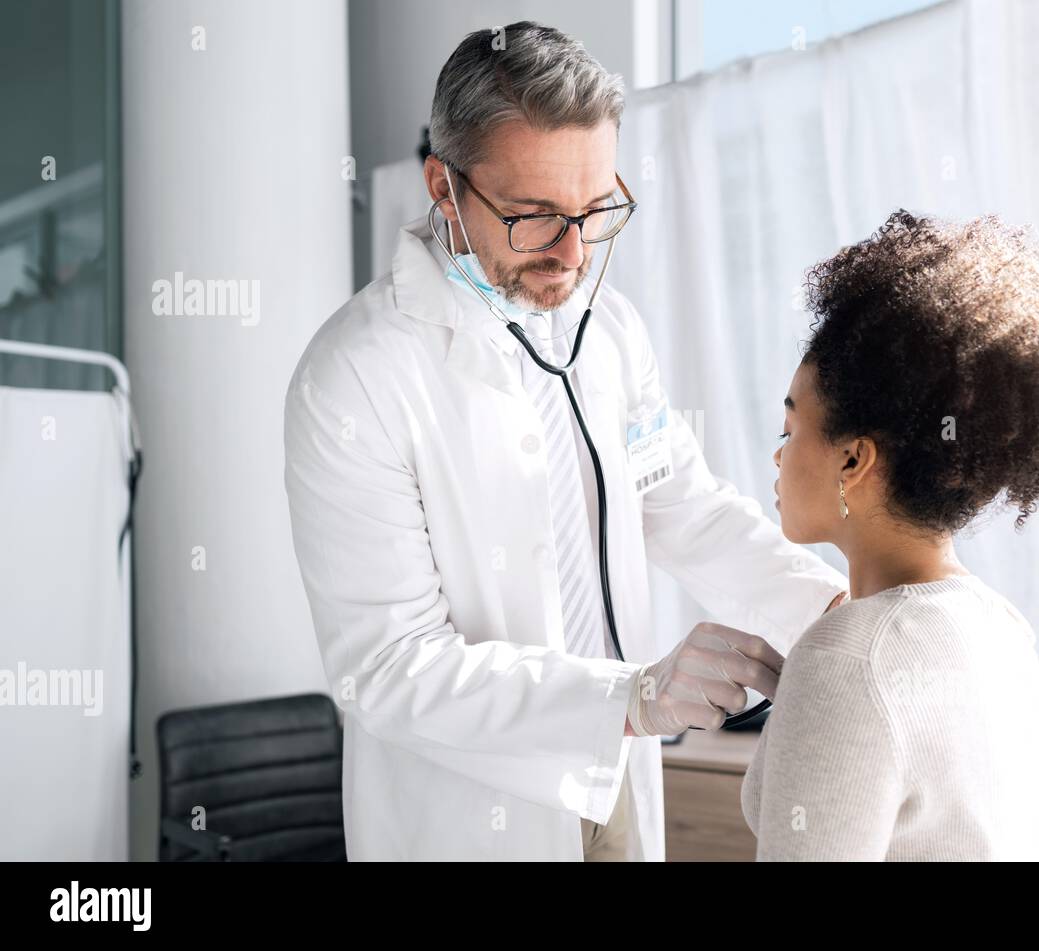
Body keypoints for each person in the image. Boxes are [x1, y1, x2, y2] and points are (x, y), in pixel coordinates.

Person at [282, 21, 848, 862]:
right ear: (443, 187)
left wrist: (847, 615)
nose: (572, 254)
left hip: (616, 773)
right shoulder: (355, 376)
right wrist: (633, 696)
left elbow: (683, 509)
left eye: (594, 210)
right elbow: (391, 667)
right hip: (470, 813)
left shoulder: (608, 330)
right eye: (533, 216)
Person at [742, 210, 1039, 860]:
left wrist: (829, 675)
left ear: (852, 460)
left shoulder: (847, 658)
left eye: (790, 429)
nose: (778, 455)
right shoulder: (1001, 626)